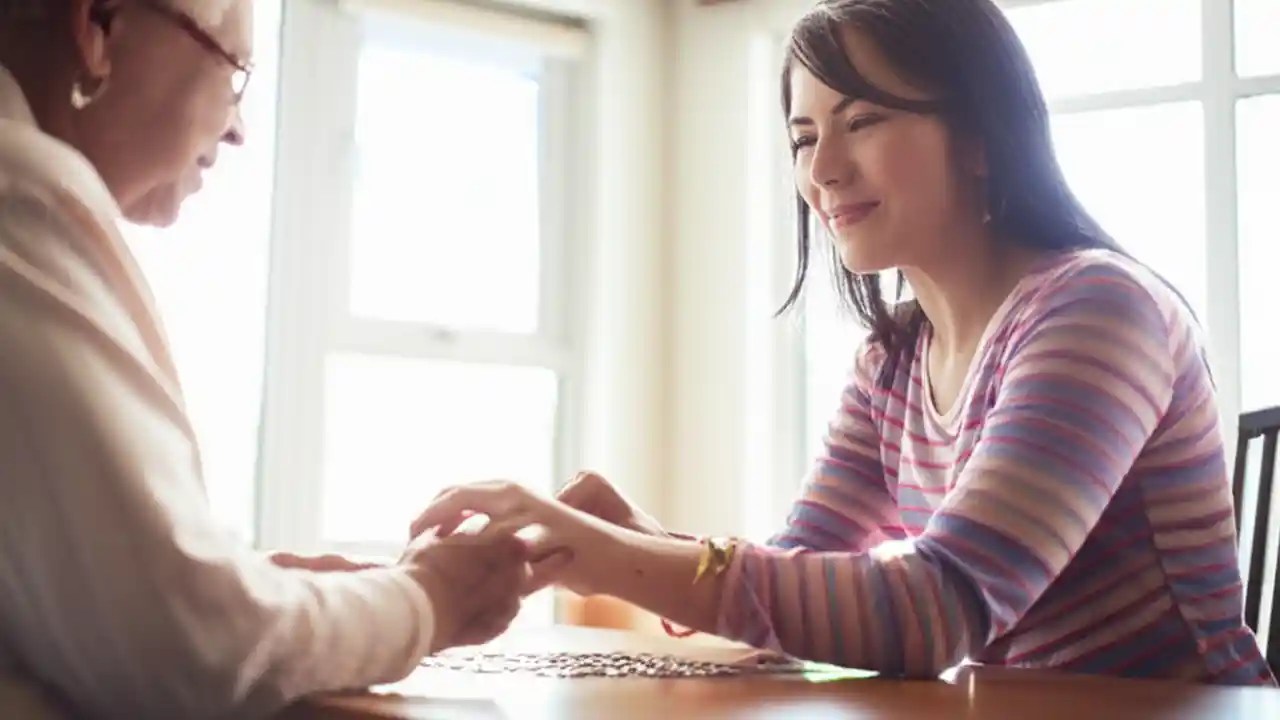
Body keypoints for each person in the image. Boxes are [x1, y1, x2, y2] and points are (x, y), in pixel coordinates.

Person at [413, 0, 1277, 686]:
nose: (822, 171)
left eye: (862, 121)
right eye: (803, 137)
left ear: (978, 139)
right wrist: (643, 542)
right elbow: (800, 583)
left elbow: (935, 613)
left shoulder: (1099, 309)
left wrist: (616, 556)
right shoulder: (893, 358)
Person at [0, 1, 530, 717]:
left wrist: (234, 583)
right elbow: (186, 646)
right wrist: (430, 598)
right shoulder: (21, 189)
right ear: (98, 26)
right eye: (235, 71)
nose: (240, 128)